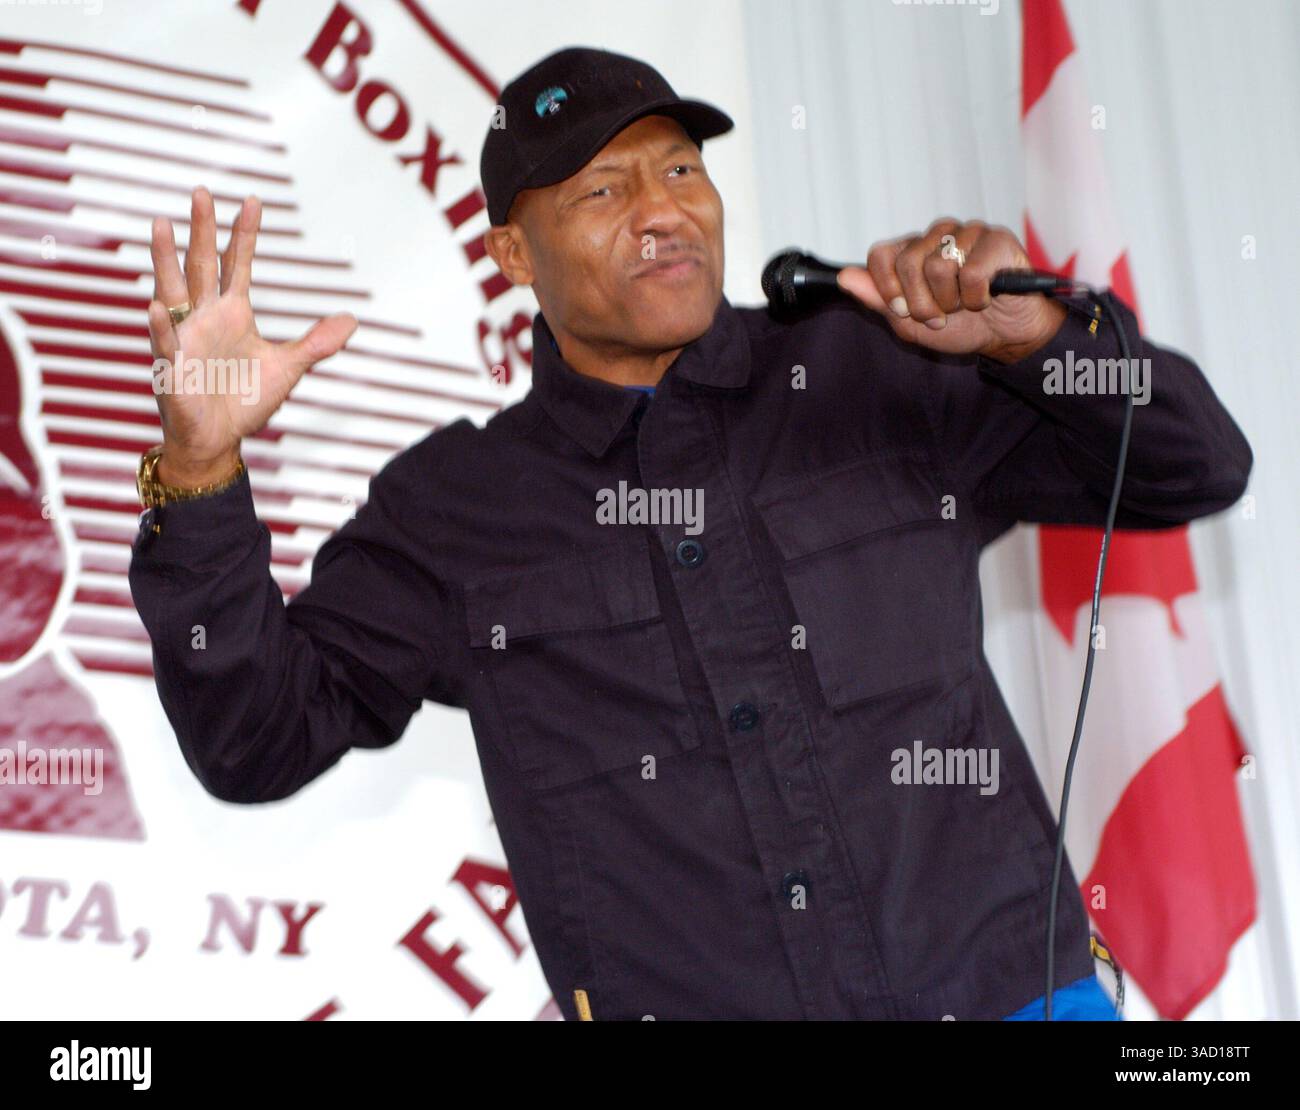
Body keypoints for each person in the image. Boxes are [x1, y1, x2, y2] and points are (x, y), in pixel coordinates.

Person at [130, 46, 1251, 1020]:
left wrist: (1035, 335)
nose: (663, 208)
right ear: (516, 258)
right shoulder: (452, 508)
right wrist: (198, 469)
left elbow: (1194, 463)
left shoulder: (873, 367)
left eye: (680, 169)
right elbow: (252, 742)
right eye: (604, 190)